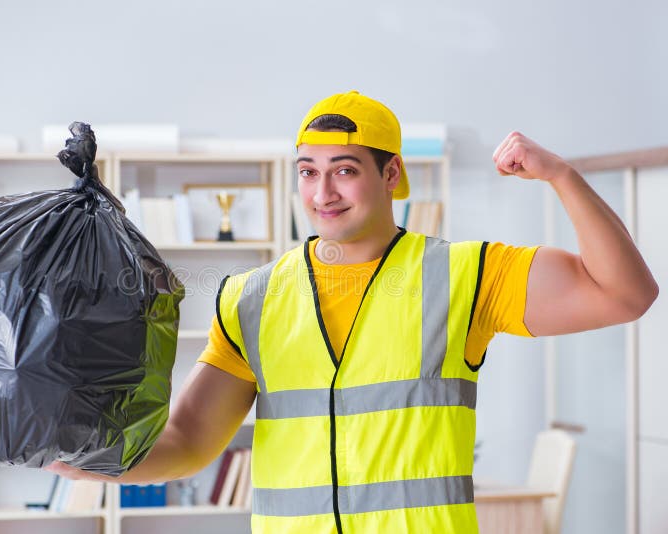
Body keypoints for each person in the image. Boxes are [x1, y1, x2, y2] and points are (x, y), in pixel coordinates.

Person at [46, 91, 658, 533]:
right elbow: (187, 440)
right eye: (308, 172)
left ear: (392, 174)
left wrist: (562, 176)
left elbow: (625, 293)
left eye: (344, 170)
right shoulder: (252, 297)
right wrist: (91, 462)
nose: (323, 193)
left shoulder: (469, 275)